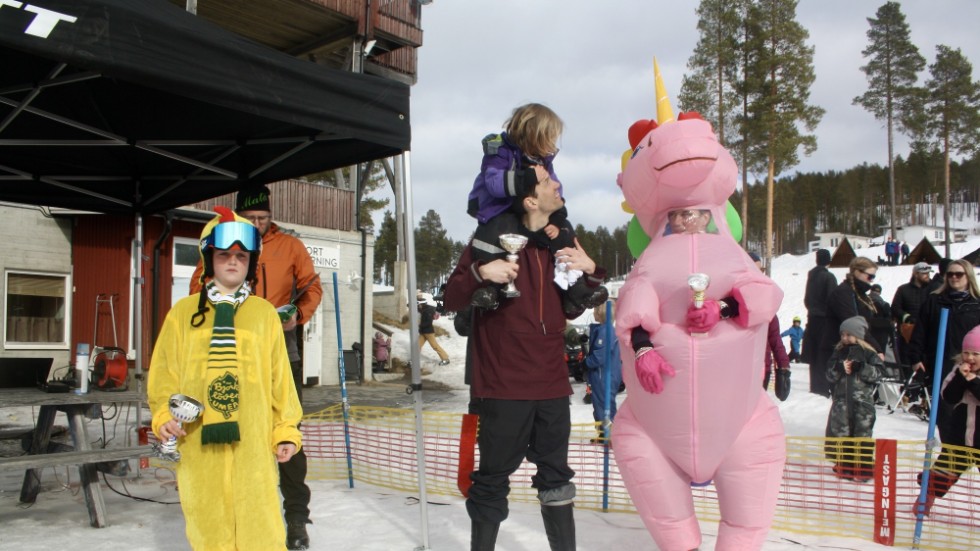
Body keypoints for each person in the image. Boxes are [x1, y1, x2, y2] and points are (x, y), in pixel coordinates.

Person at [444, 170, 605, 551]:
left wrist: (590, 270)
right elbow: (451, 298)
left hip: (552, 384)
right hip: (503, 385)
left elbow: (576, 303)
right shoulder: (493, 241)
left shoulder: (560, 242)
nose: (557, 185)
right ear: (530, 201)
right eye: (548, 184)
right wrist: (481, 272)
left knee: (557, 477)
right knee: (492, 478)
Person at [150, 207, 303, 550]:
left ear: (251, 262)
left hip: (253, 445)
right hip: (198, 443)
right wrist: (163, 416)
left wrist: (285, 430)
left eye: (241, 256)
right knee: (208, 528)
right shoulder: (183, 313)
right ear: (209, 259)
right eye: (223, 255)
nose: (233, 262)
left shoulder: (264, 314)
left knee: (261, 528)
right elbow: (163, 375)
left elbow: (281, 380)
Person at [190, 184, 323, 550]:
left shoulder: (290, 246)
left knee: (287, 431)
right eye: (251, 218)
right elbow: (197, 288)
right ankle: (231, 513)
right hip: (228, 349)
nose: (258, 224)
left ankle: (296, 517)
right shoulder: (224, 243)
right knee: (230, 427)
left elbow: (312, 288)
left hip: (281, 346)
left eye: (263, 218)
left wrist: (298, 315)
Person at [466, 103, 606, 314]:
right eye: (549, 139)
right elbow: (494, 183)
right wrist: (529, 176)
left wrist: (556, 219)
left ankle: (576, 290)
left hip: (528, 212)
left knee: (564, 231)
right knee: (496, 234)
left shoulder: (542, 160)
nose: (552, 145)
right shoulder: (500, 151)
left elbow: (555, 189)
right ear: (534, 135)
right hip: (498, 208)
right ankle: (491, 289)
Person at [908, 259, 980, 442]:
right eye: (950, 274)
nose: (954, 277)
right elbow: (920, 331)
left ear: (968, 276)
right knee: (946, 410)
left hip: (973, 362)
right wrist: (916, 358)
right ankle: (950, 450)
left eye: (959, 274)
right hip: (942, 361)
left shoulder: (977, 304)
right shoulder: (935, 301)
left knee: (972, 408)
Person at [915, 325, 980, 515]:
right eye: (966, 352)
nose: (969, 358)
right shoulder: (957, 371)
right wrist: (961, 378)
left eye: (975, 354)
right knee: (943, 471)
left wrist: (973, 381)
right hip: (959, 434)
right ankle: (926, 498)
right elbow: (949, 396)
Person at [825, 316, 882, 482]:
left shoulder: (869, 353)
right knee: (842, 433)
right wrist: (838, 368)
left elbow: (879, 373)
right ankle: (845, 466)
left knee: (862, 434)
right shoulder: (838, 353)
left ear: (858, 335)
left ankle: (864, 468)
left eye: (848, 335)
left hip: (862, 404)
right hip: (841, 403)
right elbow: (829, 375)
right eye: (842, 334)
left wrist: (862, 368)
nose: (844, 338)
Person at [802, 249, 838, 396]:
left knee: (814, 354)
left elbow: (806, 299)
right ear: (828, 261)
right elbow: (833, 300)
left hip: (812, 317)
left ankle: (815, 386)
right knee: (824, 353)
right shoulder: (829, 277)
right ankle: (823, 387)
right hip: (824, 319)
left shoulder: (811, 276)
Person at [585, 303, 622, 442]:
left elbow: (600, 356)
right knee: (599, 406)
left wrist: (586, 363)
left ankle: (611, 435)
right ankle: (603, 433)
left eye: (595, 310)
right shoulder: (603, 330)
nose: (593, 312)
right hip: (602, 375)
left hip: (604, 375)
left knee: (605, 405)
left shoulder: (606, 332)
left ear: (600, 313)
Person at [891, 262, 935, 369]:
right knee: (906, 365)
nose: (927, 275)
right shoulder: (903, 289)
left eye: (928, 273)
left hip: (927, 333)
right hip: (907, 333)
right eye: (924, 273)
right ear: (916, 274)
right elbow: (895, 308)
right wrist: (906, 317)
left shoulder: (933, 290)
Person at [418, 294, 450, 366]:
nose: (418, 306)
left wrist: (420, 326)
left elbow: (428, 322)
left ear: (421, 304)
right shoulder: (424, 309)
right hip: (423, 332)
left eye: (418, 305)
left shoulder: (428, 311)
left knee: (434, 346)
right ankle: (414, 360)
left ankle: (445, 359)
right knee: (417, 346)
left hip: (428, 332)